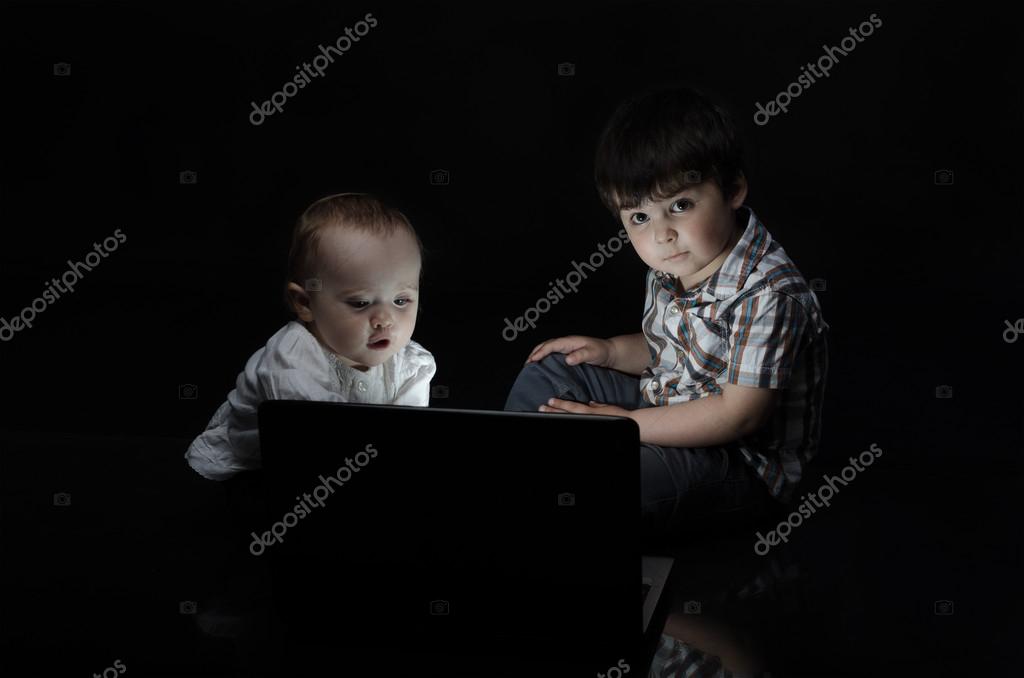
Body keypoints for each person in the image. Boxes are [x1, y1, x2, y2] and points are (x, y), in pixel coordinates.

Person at [504, 86, 829, 542]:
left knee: (627, 474)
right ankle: (516, 482)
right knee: (551, 370)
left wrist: (621, 425)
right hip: (670, 406)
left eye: (680, 206)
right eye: (639, 218)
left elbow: (737, 416)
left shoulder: (770, 295)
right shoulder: (678, 263)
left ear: (732, 189)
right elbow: (670, 347)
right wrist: (611, 351)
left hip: (739, 465)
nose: (662, 236)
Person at [185, 192, 436, 482]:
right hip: (258, 468)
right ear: (304, 303)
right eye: (361, 303)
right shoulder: (292, 360)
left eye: (402, 301)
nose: (384, 320)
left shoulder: (412, 364)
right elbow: (318, 441)